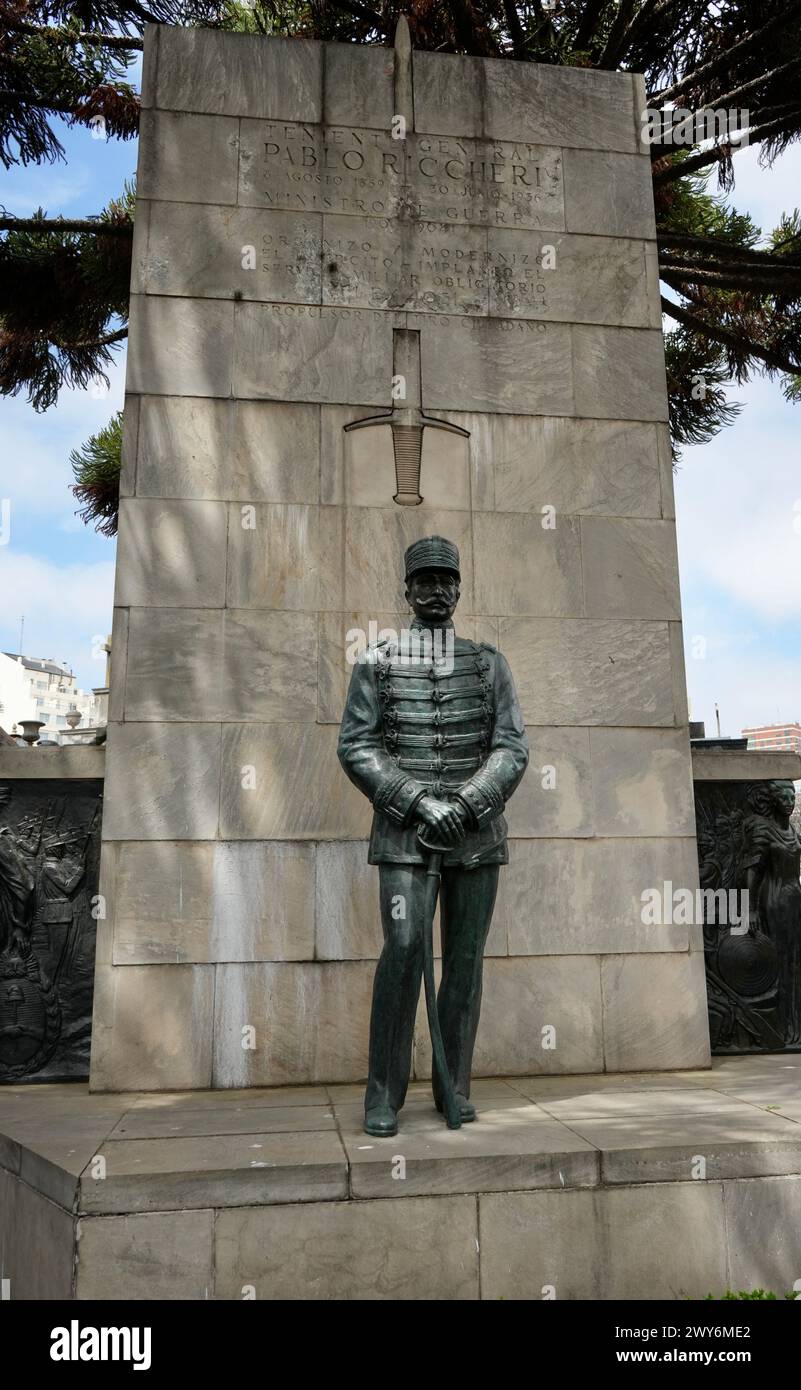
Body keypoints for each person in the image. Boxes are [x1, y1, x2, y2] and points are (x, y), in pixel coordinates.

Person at [338, 535, 529, 1136]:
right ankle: (383, 1092)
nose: (437, 591)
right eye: (425, 581)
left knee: (465, 962)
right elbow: (356, 745)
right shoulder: (377, 660)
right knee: (402, 950)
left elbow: (512, 747)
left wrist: (469, 802)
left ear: (459, 589)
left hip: (476, 838)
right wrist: (419, 802)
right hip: (404, 836)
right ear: (408, 589)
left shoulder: (489, 662)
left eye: (447, 581)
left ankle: (454, 1087)